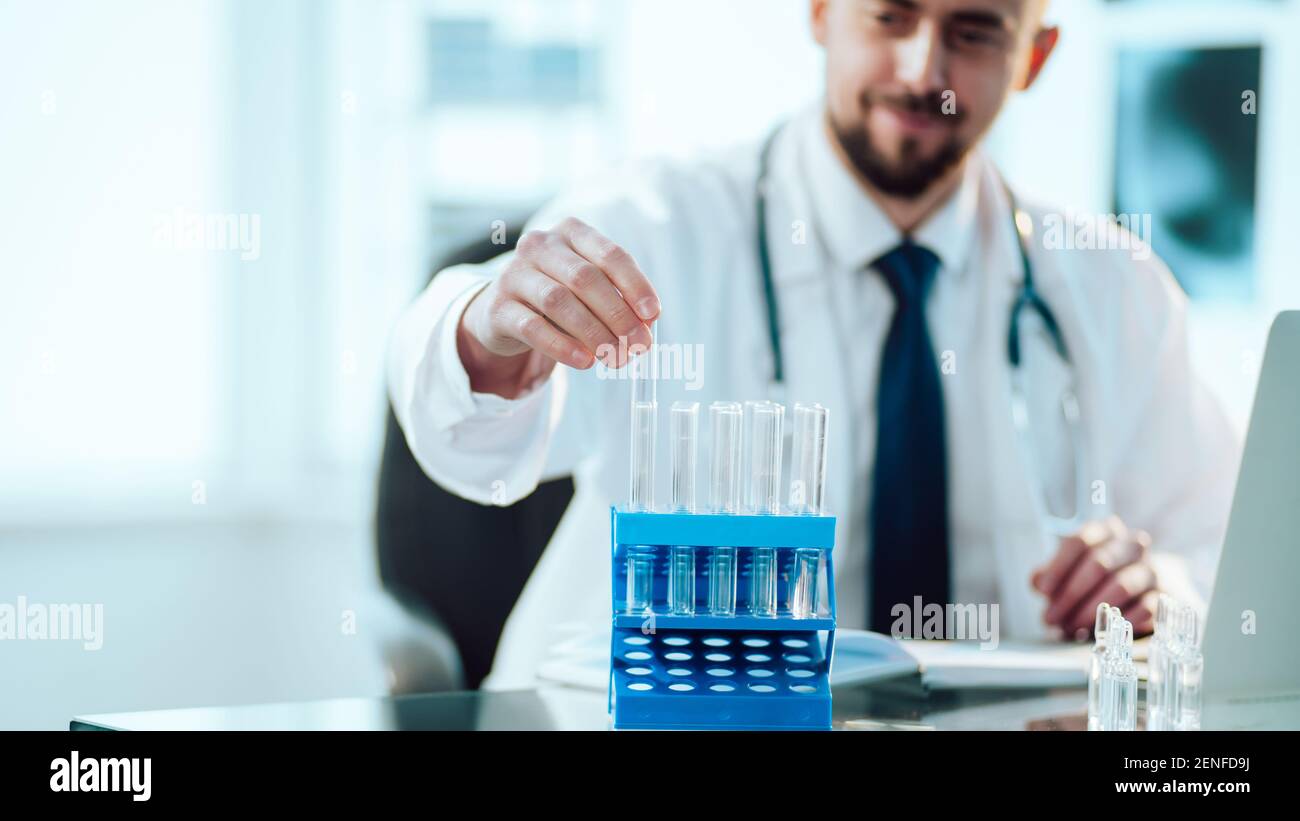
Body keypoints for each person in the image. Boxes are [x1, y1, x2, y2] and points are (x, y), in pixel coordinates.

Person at [387, 0, 1239, 690]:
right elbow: (464, 436)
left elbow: (1222, 545)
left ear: (1035, 56)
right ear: (823, 13)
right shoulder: (659, 225)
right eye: (892, 17)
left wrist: (1168, 584)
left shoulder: (1113, 286)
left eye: (974, 30)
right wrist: (492, 333)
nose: (923, 71)